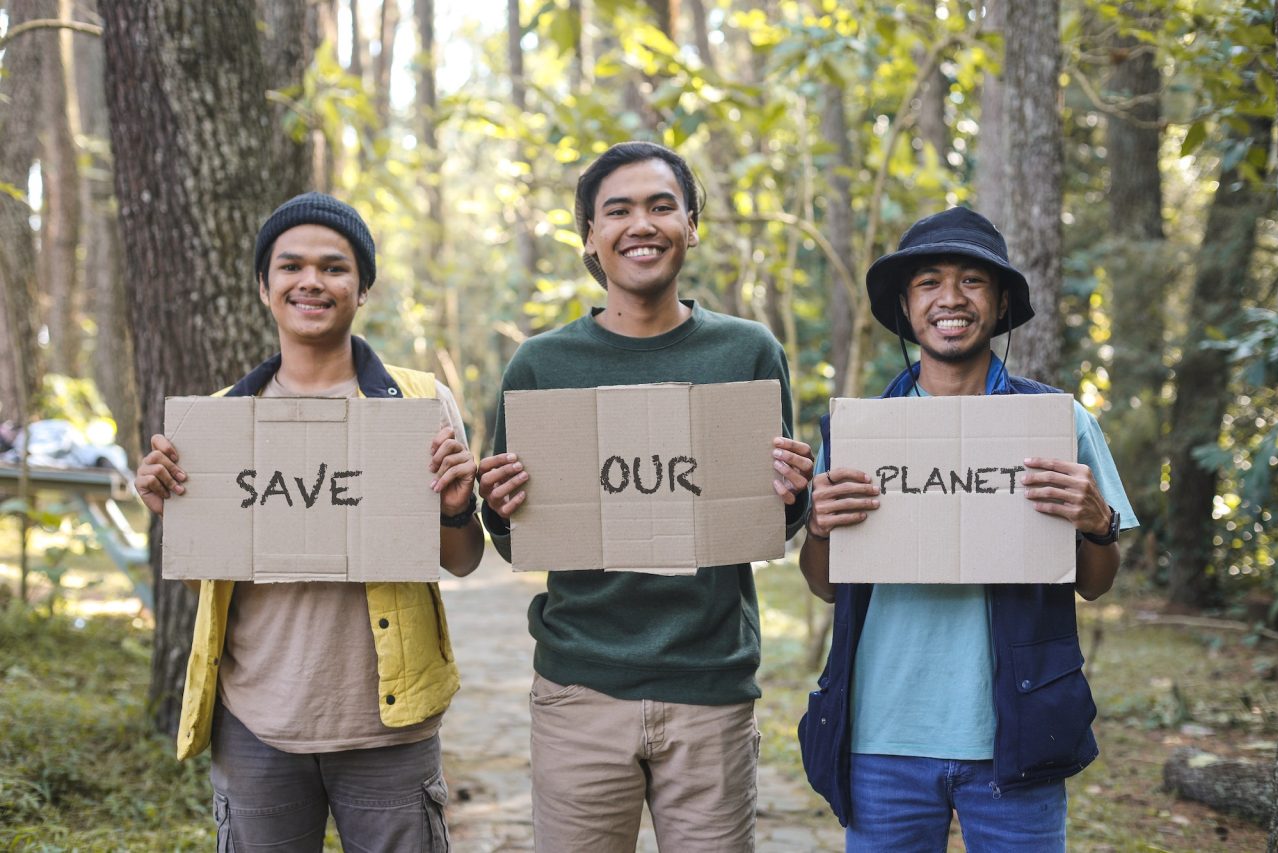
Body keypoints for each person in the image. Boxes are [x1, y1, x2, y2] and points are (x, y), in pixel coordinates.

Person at [476, 141, 813, 852]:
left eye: (662, 206)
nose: (642, 224)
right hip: (580, 688)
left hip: (711, 687)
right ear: (590, 238)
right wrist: (499, 506)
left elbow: (772, 521)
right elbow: (513, 537)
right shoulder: (541, 365)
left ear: (692, 224)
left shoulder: (749, 353)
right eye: (618, 210)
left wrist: (792, 492)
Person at [134, 192, 482, 851]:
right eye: (291, 266)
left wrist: (456, 504)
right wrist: (173, 516)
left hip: (389, 724)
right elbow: (210, 591)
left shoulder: (419, 402)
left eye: (334, 266)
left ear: (363, 285)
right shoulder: (218, 420)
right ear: (266, 286)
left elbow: (461, 559)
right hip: (258, 722)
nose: (311, 282)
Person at [797, 206, 1139, 851]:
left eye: (972, 281)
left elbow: (1096, 585)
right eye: (928, 282)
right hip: (881, 738)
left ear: (1002, 301)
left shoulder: (1056, 423)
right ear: (905, 304)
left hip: (1016, 732)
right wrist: (818, 529)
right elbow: (826, 587)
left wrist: (1099, 526)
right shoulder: (861, 432)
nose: (950, 299)